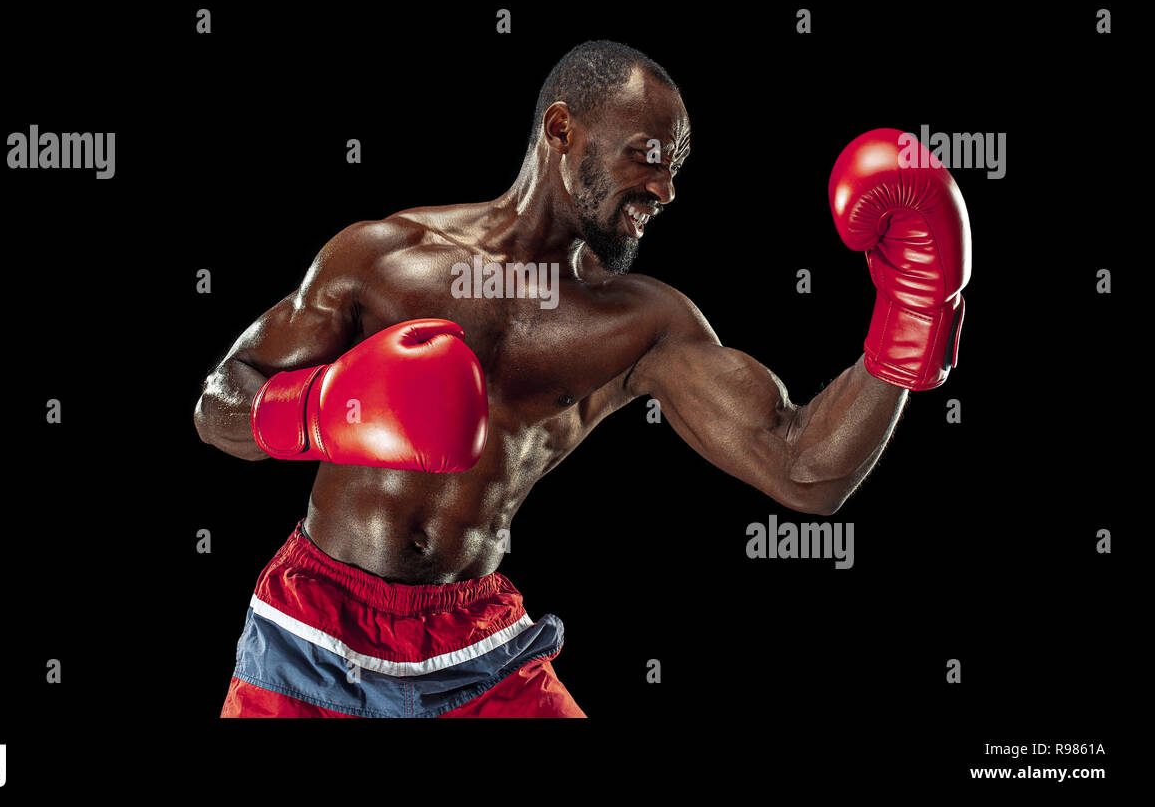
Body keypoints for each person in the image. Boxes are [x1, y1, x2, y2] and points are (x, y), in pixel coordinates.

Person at [195, 40, 971, 717]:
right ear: (561, 129)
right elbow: (219, 398)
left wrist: (911, 316)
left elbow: (804, 473)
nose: (666, 190)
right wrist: (318, 411)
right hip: (311, 631)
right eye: (650, 155)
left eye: (678, 169)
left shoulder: (640, 324)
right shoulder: (383, 256)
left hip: (475, 652)